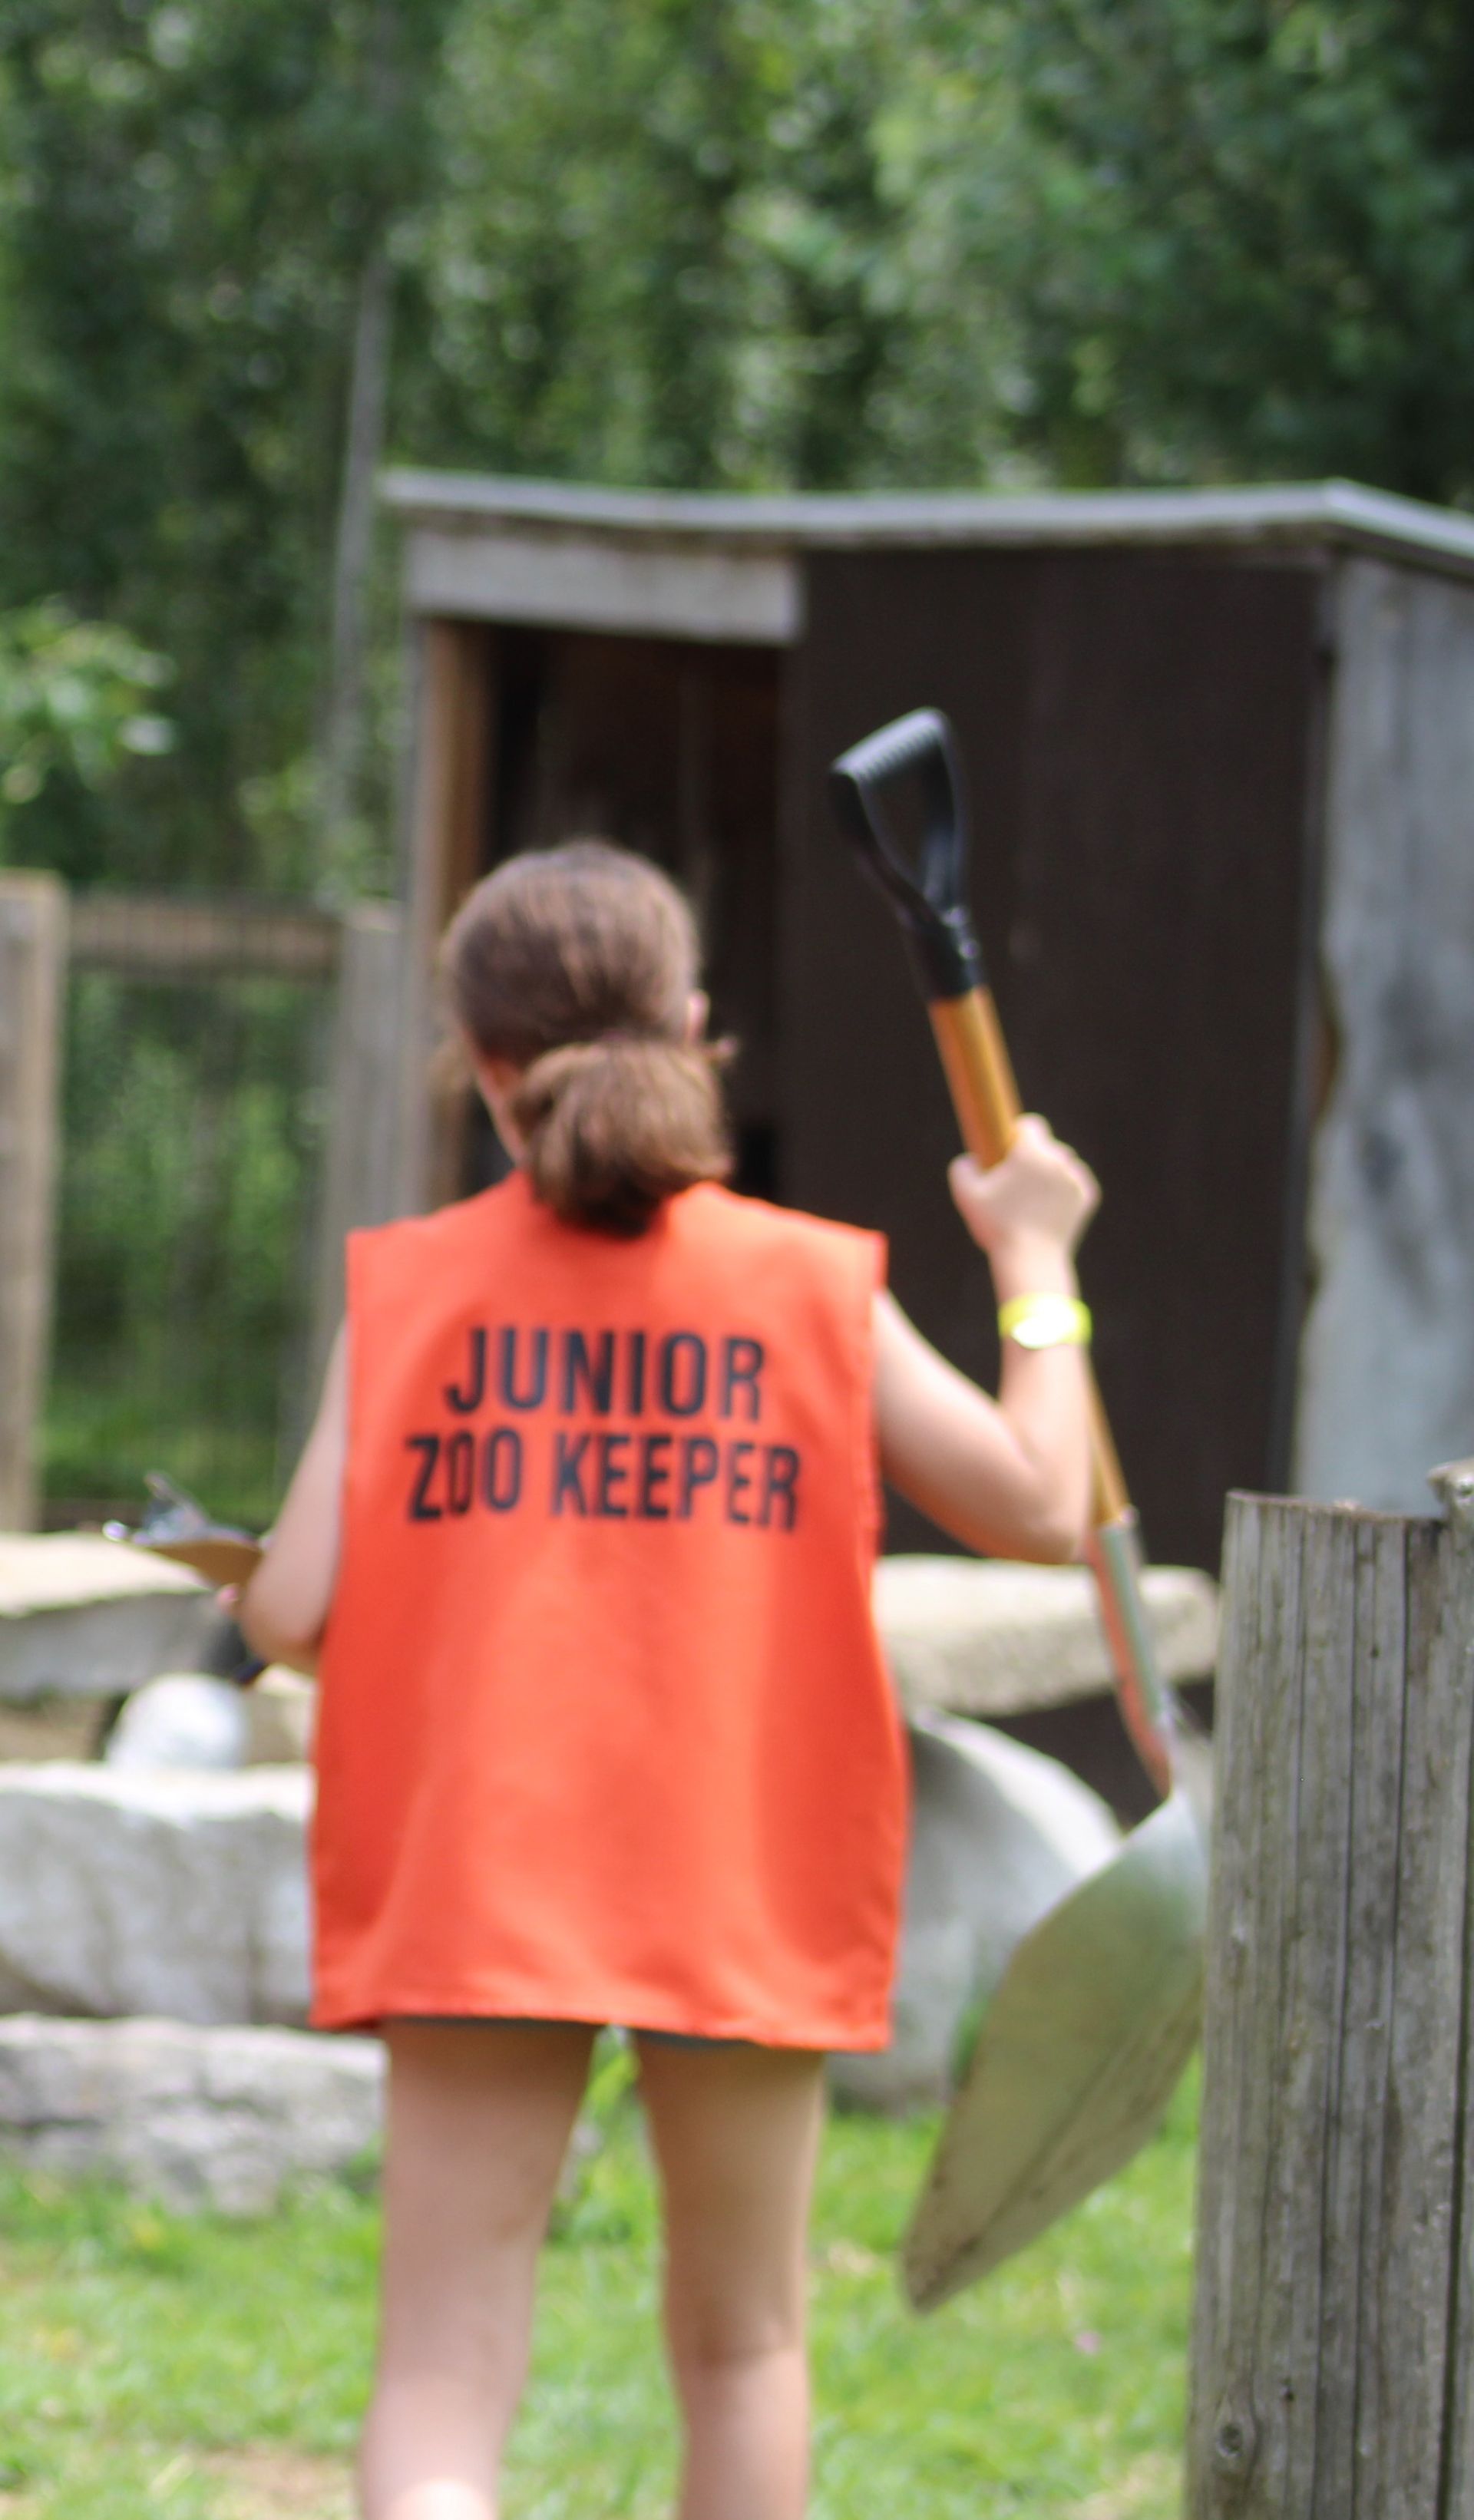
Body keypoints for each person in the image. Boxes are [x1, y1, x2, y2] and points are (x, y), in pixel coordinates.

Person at [241, 837, 1099, 2520]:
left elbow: (285, 1610)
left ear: (478, 1065)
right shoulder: (809, 1286)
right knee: (745, 2350)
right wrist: (1040, 1265)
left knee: (440, 2367)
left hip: (485, 1872)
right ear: (698, 1025)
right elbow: (1043, 1505)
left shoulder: (404, 1294)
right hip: (738, 1861)